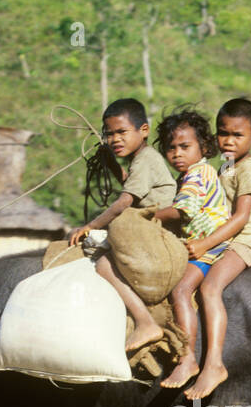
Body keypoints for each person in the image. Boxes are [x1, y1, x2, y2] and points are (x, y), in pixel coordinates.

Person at [68, 98, 175, 353]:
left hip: (153, 230)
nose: (115, 139)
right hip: (145, 226)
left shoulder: (146, 160)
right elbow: (131, 185)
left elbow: (124, 202)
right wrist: (113, 167)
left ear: (144, 131)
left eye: (122, 132)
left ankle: (145, 322)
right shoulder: (142, 160)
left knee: (102, 262)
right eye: (109, 134)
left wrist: (89, 226)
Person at [182, 97, 251, 402]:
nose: (228, 141)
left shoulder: (250, 170)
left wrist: (205, 243)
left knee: (209, 288)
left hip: (244, 242)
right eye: (223, 133)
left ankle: (214, 364)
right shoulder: (225, 168)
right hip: (223, 240)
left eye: (237, 135)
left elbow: (241, 217)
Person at [152, 110, 232, 406]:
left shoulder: (199, 174)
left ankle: (187, 358)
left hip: (209, 247)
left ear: (203, 148)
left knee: (180, 289)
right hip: (199, 243)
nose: (177, 154)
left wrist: (145, 216)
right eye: (171, 148)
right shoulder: (188, 175)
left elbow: (182, 210)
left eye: (184, 147)